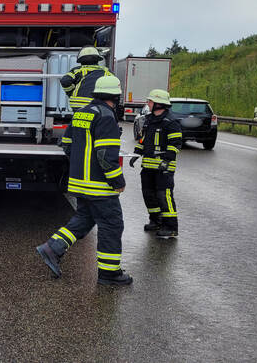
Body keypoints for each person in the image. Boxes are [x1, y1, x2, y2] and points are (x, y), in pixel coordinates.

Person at [36, 74, 133, 286]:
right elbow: (106, 156)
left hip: (80, 183)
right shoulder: (106, 116)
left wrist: (81, 169)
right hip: (99, 186)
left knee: (84, 219)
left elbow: (67, 145)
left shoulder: (81, 113)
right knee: (112, 224)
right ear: (115, 97)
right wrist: (118, 181)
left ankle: (52, 248)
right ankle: (109, 274)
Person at [132, 89, 182, 239]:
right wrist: (137, 153)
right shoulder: (149, 119)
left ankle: (171, 227)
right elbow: (143, 139)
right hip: (147, 167)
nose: (148, 103)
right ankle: (156, 221)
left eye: (150, 101)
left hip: (163, 168)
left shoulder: (171, 122)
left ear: (159, 104)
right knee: (148, 194)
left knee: (163, 196)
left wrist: (166, 161)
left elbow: (175, 144)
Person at [60, 46, 113, 111]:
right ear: (97, 60)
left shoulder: (77, 70)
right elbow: (114, 85)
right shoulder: (107, 71)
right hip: (98, 105)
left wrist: (71, 93)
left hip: (78, 104)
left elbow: (65, 81)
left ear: (81, 60)